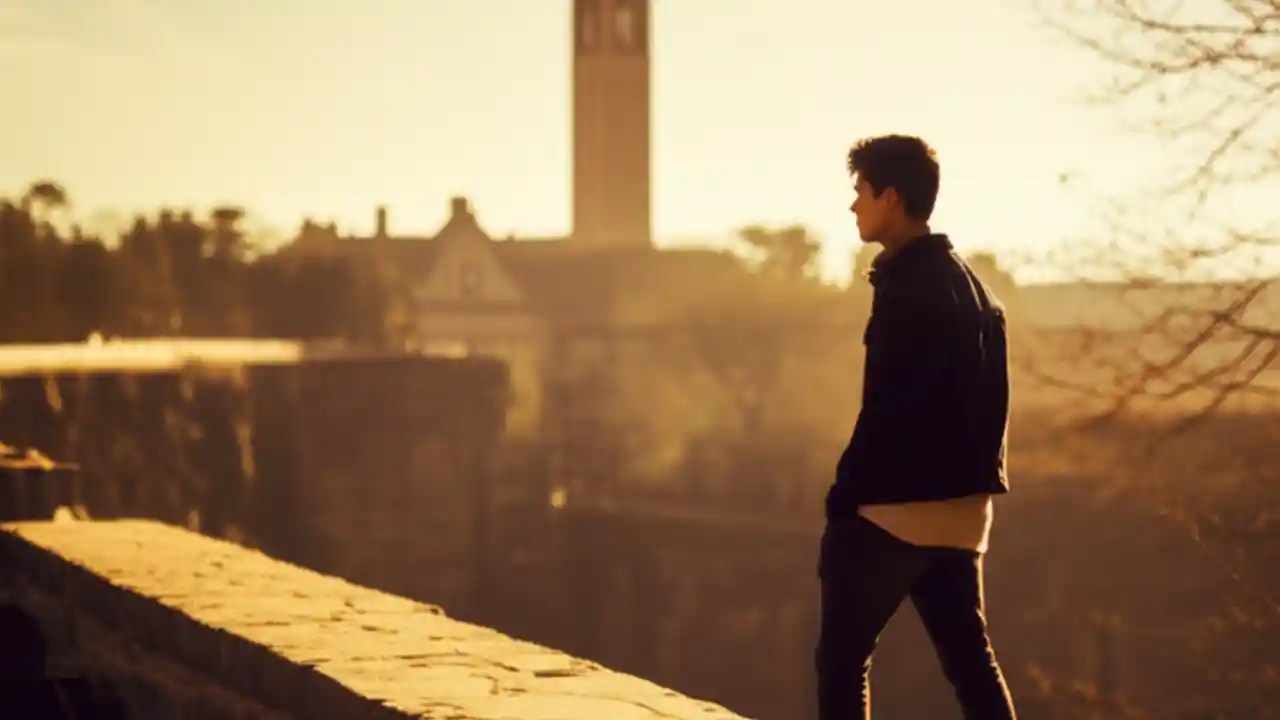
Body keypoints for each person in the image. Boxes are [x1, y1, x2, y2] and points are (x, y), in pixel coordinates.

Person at [816, 134, 1018, 719]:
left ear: (892, 197)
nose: (853, 205)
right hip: (963, 513)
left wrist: (844, 497)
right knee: (971, 663)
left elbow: (887, 410)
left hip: (892, 510)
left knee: (843, 660)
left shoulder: (907, 291)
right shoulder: (981, 293)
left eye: (861, 192)